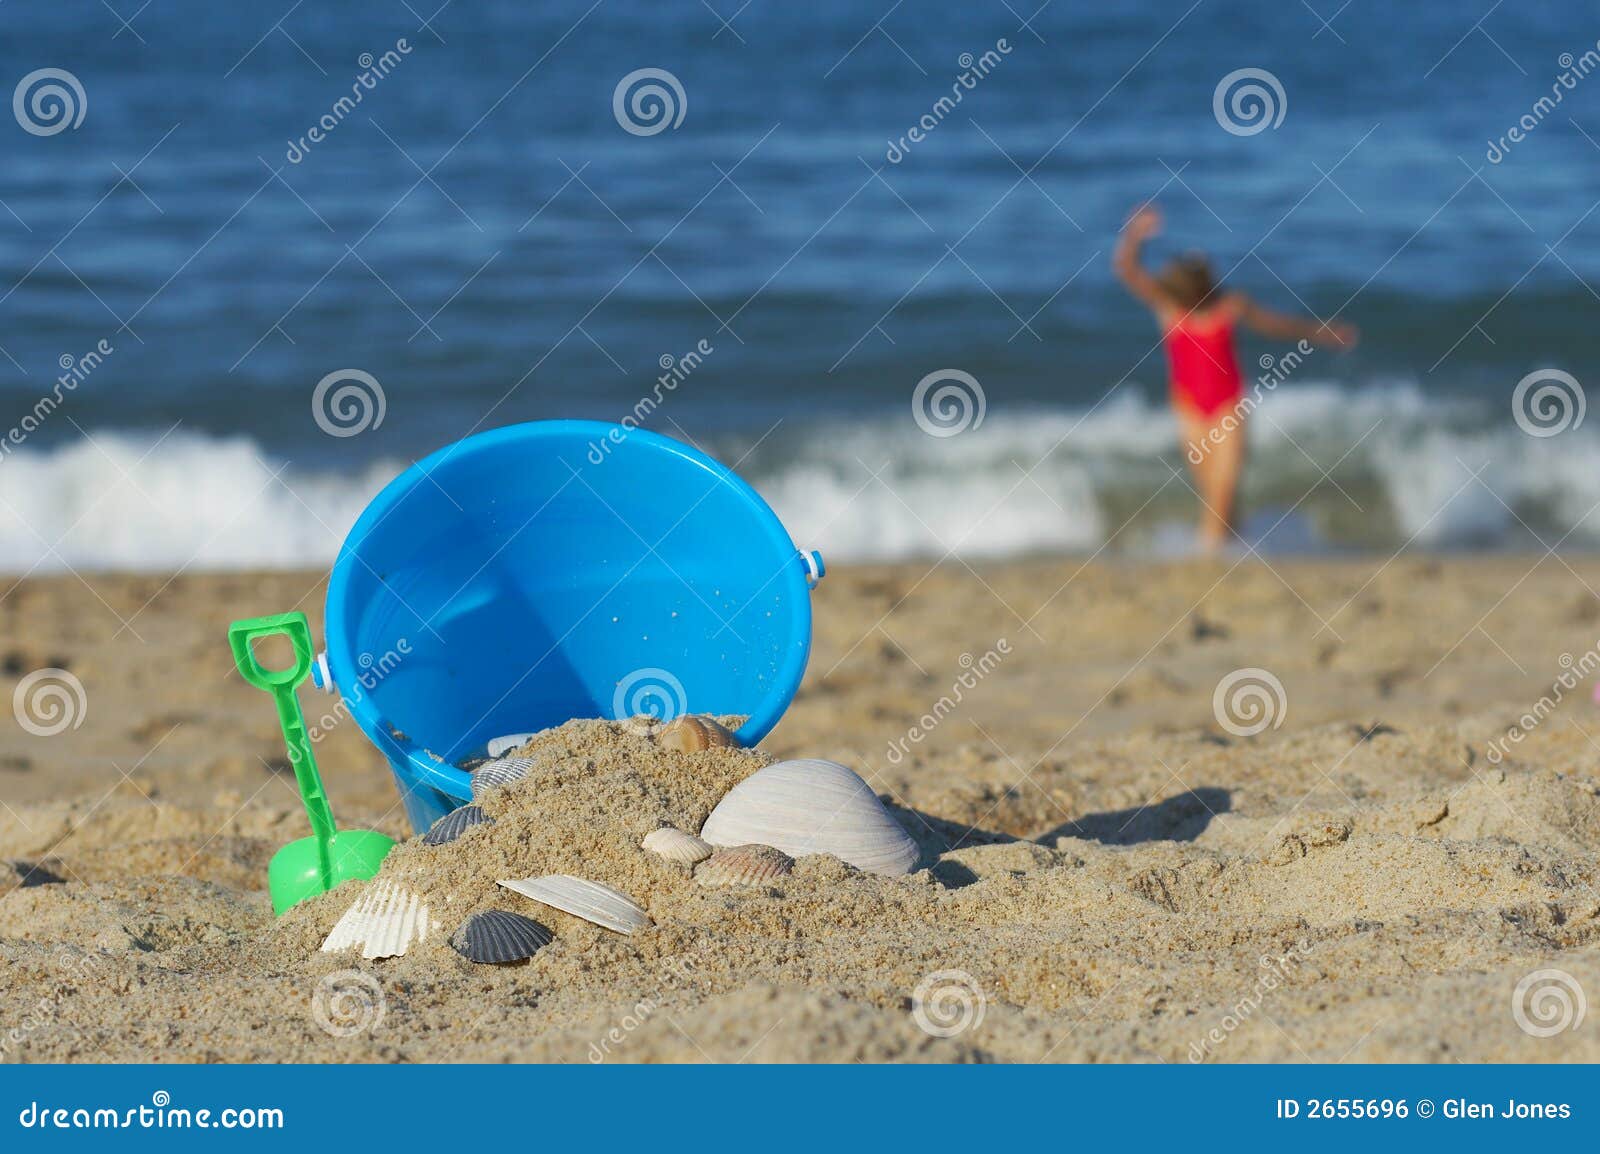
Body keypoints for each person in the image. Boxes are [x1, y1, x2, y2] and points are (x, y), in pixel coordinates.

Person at [1113, 203, 1358, 553]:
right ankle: (1235, 549)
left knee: (1223, 489)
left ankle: (1211, 559)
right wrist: (1134, 233)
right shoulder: (1170, 308)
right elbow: (1127, 270)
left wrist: (1321, 332)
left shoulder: (1229, 306)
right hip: (1189, 408)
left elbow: (1277, 326)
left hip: (1229, 407)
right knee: (1213, 493)